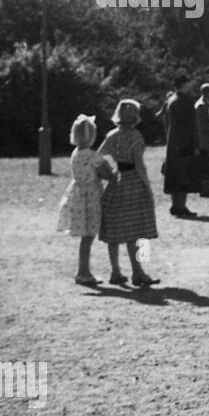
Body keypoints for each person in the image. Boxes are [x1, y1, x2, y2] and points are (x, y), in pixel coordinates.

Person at [98, 99, 160, 287]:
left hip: (117, 182)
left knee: (114, 230)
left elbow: (98, 157)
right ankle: (139, 272)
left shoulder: (111, 135)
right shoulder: (136, 137)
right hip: (133, 182)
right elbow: (139, 165)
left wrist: (108, 174)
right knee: (139, 230)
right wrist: (148, 187)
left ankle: (115, 271)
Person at [56, 114, 107, 286]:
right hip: (91, 196)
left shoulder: (75, 153)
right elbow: (106, 174)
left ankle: (84, 270)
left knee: (86, 235)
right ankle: (83, 272)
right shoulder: (93, 155)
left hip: (78, 193)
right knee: (89, 235)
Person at [162, 74, 200, 217]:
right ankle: (181, 206)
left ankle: (175, 205)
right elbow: (191, 125)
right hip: (185, 142)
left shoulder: (171, 100)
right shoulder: (185, 101)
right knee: (184, 175)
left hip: (173, 141)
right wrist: (195, 144)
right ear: (184, 84)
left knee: (174, 175)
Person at [193, 82, 209, 199]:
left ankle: (208, 187)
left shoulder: (207, 104)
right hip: (204, 139)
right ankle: (205, 189)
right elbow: (202, 125)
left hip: (208, 138)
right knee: (205, 163)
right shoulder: (201, 106)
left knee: (208, 163)